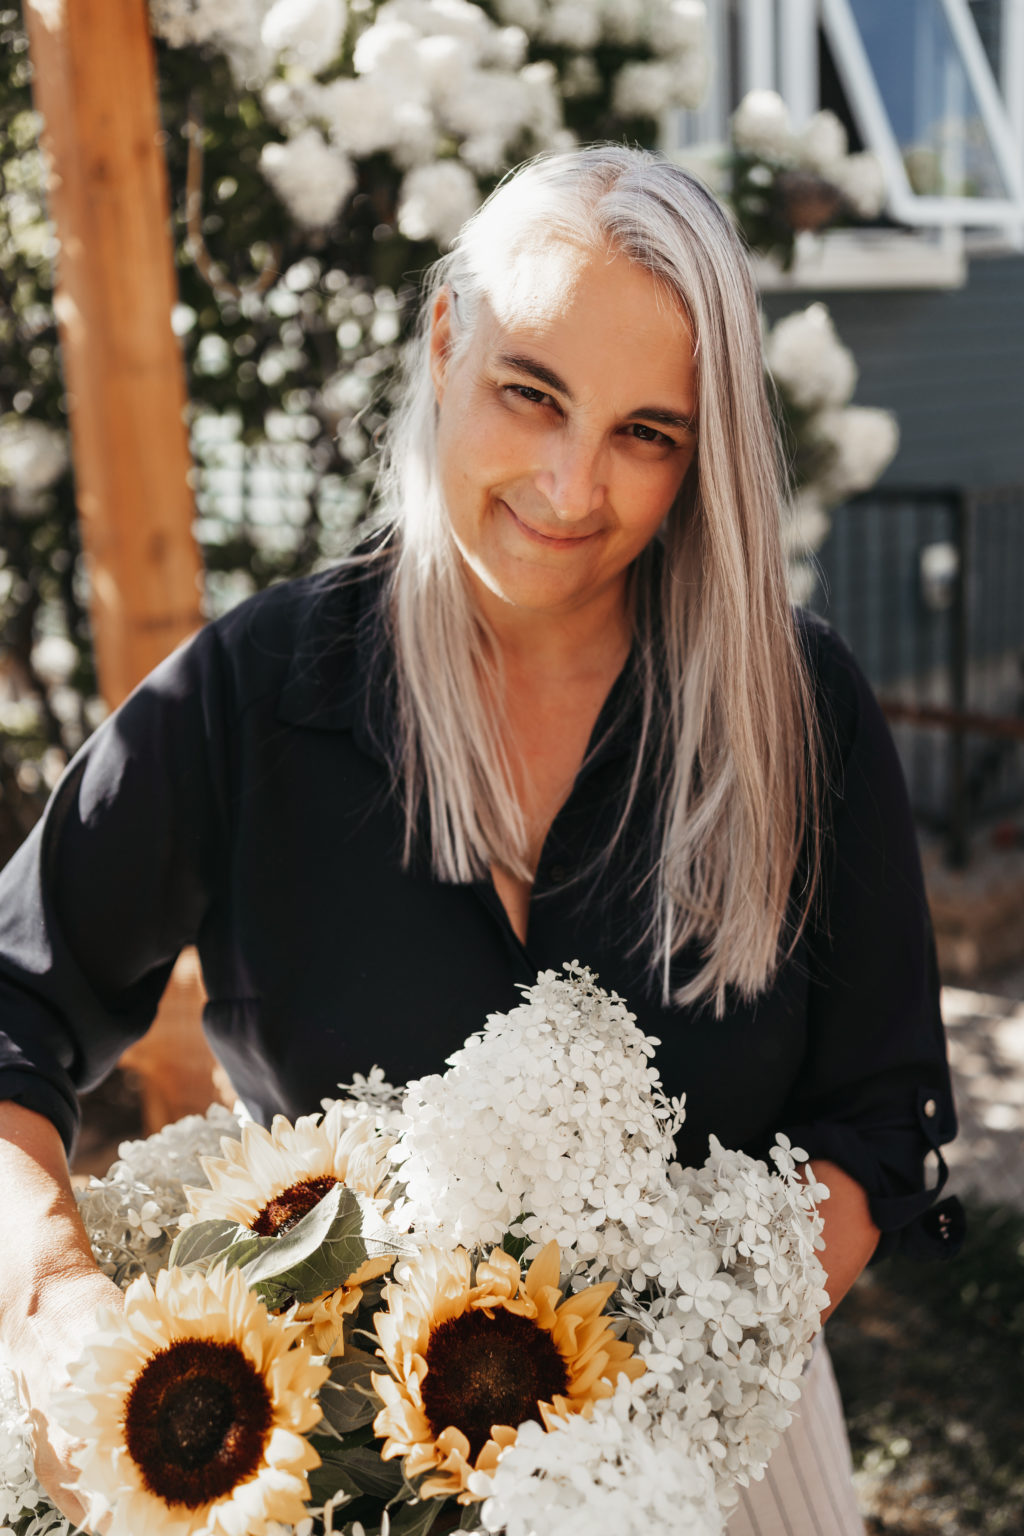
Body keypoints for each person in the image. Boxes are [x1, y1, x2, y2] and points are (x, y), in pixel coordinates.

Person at [0, 145, 960, 1532]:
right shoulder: (252, 698)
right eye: (532, 394)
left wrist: (653, 1418)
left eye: (649, 433)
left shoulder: (796, 712)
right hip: (336, 1480)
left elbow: (881, 1118)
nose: (574, 489)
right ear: (447, 340)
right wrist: (52, 1300)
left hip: (718, 1470)